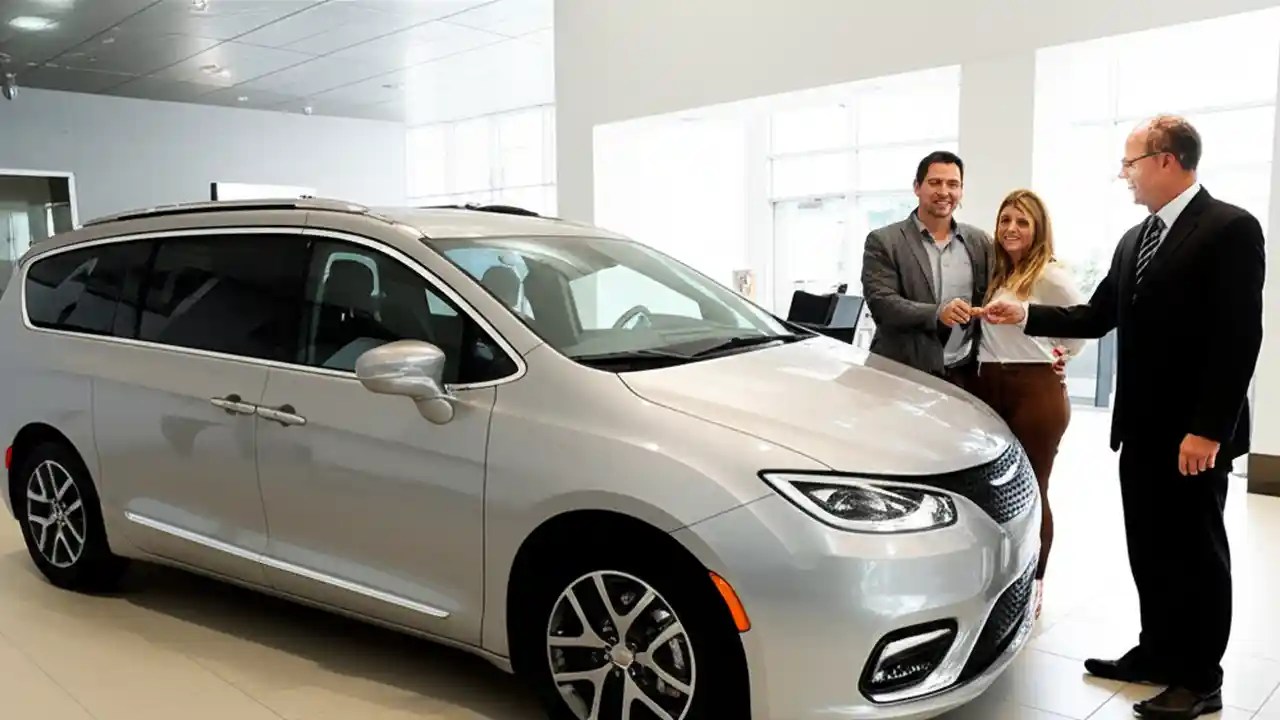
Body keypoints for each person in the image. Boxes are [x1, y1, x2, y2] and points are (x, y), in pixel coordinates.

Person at [980, 115, 1265, 720]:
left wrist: (1208, 428)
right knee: (1151, 547)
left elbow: (1238, 338)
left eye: (1130, 163)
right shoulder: (1135, 239)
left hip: (1194, 435)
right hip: (1140, 430)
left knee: (1197, 554)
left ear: (1166, 161)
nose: (1124, 175)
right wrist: (1024, 316)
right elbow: (1096, 315)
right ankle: (1157, 653)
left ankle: (1199, 678)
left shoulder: (1230, 228)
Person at [968, 189, 1083, 621]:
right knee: (994, 492)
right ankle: (999, 581)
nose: (1011, 229)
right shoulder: (998, 273)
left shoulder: (1049, 276)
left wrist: (1060, 357)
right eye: (1006, 221)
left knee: (1033, 489)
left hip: (1034, 391)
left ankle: (1035, 583)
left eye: (1022, 222)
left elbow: (1080, 329)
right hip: (990, 385)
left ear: (1038, 229)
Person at [861, 151, 992, 387]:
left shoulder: (980, 242)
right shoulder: (884, 241)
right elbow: (883, 303)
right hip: (900, 373)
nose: (944, 192)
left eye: (953, 184)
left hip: (962, 373)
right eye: (935, 183)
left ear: (961, 191)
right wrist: (937, 314)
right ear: (917, 187)